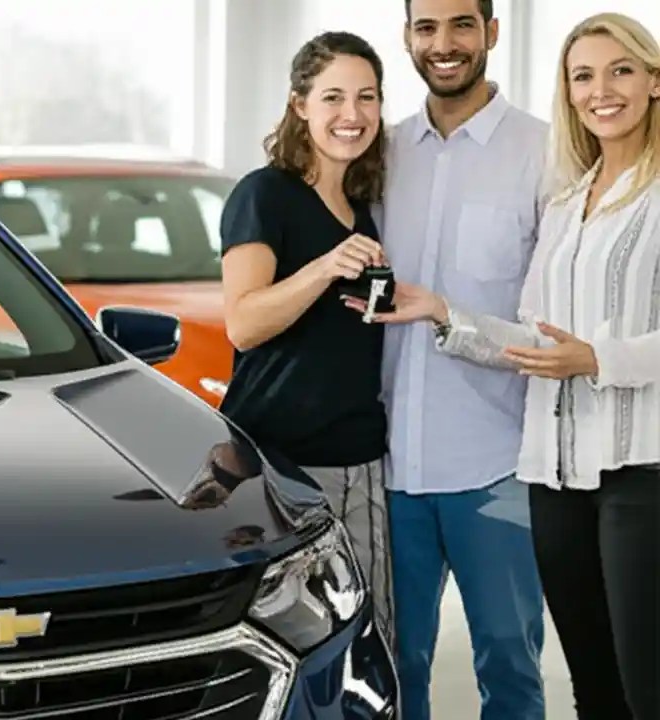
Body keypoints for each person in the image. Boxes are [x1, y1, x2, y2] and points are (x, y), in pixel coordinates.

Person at [354, 11, 660, 719]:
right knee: (577, 677)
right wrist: (442, 314)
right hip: (503, 466)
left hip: (573, 465)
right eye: (584, 75)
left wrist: (598, 358)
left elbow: (580, 342)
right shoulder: (562, 197)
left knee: (576, 674)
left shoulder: (555, 159)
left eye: (619, 71)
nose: (600, 90)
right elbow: (530, 332)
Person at [370, 1, 550, 717]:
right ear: (409, 37)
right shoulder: (378, 152)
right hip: (390, 470)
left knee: (509, 662)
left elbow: (548, 333)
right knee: (394, 662)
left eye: (461, 26)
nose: (443, 45)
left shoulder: (545, 153)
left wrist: (447, 314)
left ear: (492, 32)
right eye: (426, 28)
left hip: (497, 466)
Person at [216, 31, 394, 649]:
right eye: (334, 97)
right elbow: (243, 323)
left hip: (361, 461)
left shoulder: (362, 206)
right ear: (300, 105)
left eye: (367, 97)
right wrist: (323, 267)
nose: (353, 115)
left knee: (369, 645)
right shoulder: (264, 194)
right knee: (290, 646)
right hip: (281, 466)